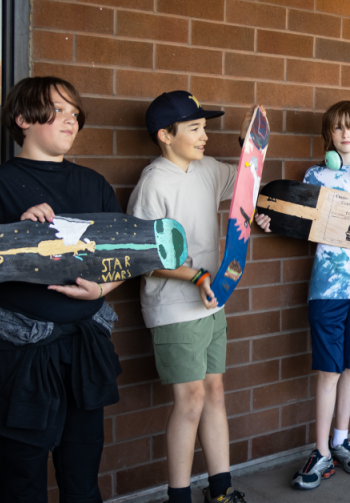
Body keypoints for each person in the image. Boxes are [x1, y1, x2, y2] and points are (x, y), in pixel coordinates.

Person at [0, 76, 124, 502]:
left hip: (84, 346)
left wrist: (102, 289)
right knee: (22, 477)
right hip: (21, 352)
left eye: (75, 112)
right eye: (59, 109)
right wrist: (16, 235)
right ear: (23, 118)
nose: (71, 120)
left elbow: (128, 253)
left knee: (83, 473)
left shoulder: (94, 184)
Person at [127, 91, 259, 503]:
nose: (205, 136)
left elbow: (244, 186)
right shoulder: (154, 182)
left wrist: (248, 145)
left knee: (215, 392)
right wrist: (196, 274)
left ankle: (221, 489)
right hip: (174, 307)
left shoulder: (206, 169)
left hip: (211, 302)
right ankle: (178, 496)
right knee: (190, 401)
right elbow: (142, 256)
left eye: (205, 127)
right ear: (165, 135)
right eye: (195, 128)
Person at [256, 101, 350, 489]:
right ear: (329, 136)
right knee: (329, 369)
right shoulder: (316, 176)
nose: (346, 134)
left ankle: (342, 440)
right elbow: (295, 219)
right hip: (327, 288)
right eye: (338, 128)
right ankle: (321, 452)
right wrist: (269, 219)